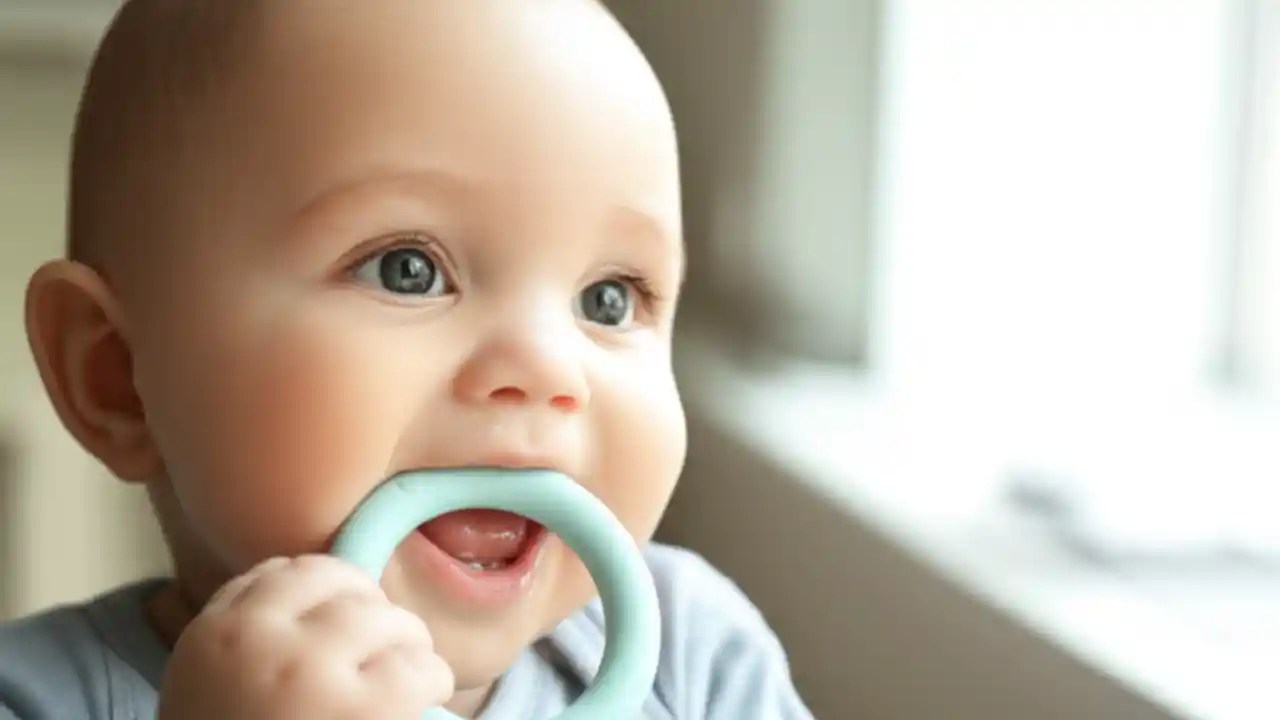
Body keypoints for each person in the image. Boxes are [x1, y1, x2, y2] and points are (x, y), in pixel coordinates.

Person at [0, 1, 813, 718]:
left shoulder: (697, 663)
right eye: (408, 270)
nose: (547, 368)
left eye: (610, 298)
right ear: (118, 379)